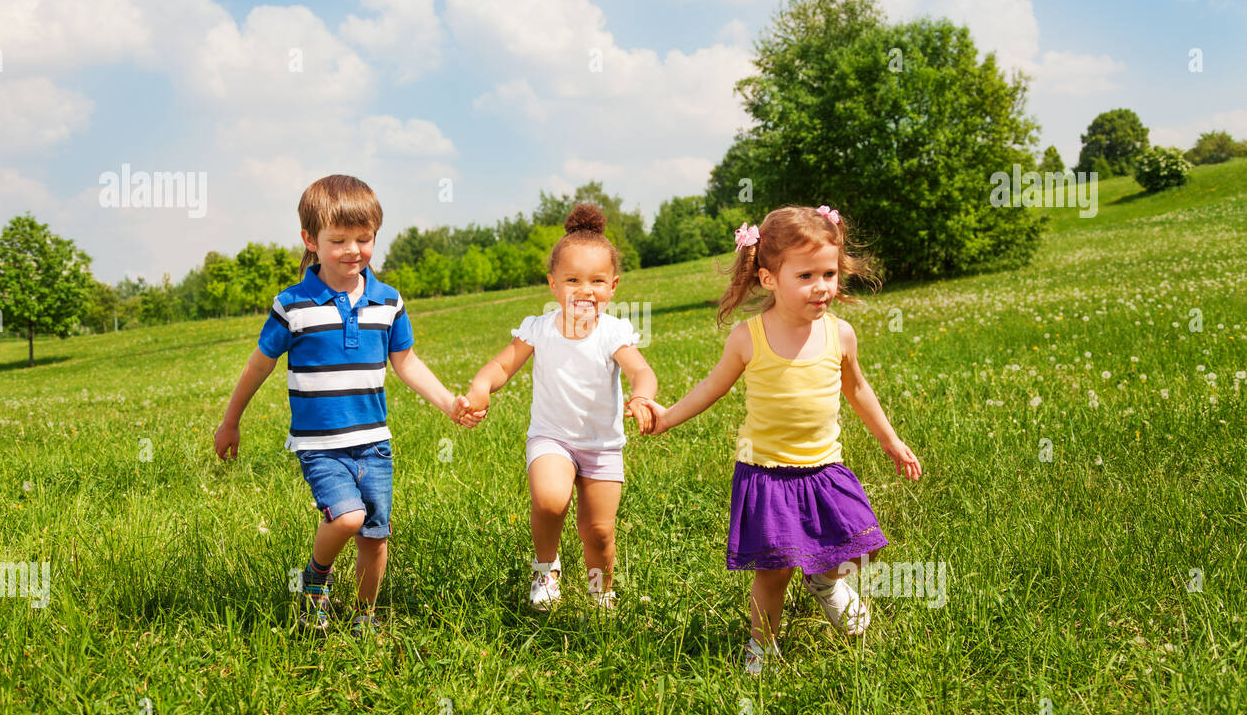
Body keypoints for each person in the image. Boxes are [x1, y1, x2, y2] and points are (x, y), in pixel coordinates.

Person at [646, 205, 921, 673]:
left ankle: (827, 583)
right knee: (772, 573)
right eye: (807, 275)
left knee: (854, 546)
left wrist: (891, 441)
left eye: (830, 273)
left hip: (825, 469)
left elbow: (857, 390)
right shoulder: (748, 337)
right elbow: (712, 387)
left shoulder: (841, 334)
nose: (822, 286)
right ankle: (761, 646)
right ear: (769, 278)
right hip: (767, 473)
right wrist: (667, 417)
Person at [213, 174, 483, 636]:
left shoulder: (389, 301)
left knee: (375, 537)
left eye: (364, 238)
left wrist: (448, 404)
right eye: (338, 240)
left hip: (374, 443)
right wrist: (230, 422)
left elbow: (407, 363)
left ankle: (364, 617)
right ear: (310, 241)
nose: (353, 249)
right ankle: (316, 580)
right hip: (321, 444)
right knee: (349, 517)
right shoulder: (292, 306)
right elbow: (259, 366)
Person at [456, 204, 657, 611]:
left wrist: (642, 397)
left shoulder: (614, 332)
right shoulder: (539, 329)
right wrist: (481, 385)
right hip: (552, 438)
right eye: (572, 279)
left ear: (613, 286)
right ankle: (546, 570)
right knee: (549, 500)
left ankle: (600, 590)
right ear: (553, 284)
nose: (585, 290)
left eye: (597, 280)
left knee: (598, 531)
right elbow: (501, 365)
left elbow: (641, 371)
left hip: (602, 446)